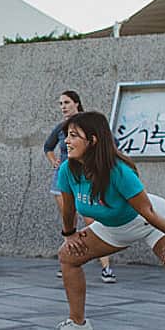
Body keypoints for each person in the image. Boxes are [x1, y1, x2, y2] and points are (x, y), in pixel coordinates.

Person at [45, 111, 165, 330]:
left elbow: (148, 212)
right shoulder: (68, 169)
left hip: (151, 221)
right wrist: (69, 235)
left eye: (73, 136)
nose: (66, 142)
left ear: (92, 140)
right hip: (114, 226)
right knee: (68, 255)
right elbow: (68, 209)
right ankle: (78, 328)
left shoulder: (118, 171)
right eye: (66, 136)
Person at [43, 90, 116, 283]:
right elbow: (47, 147)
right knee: (69, 222)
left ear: (77, 103)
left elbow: (111, 143)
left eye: (66, 102)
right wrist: (54, 162)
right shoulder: (61, 127)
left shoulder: (88, 124)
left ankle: (106, 267)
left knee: (93, 222)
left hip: (86, 180)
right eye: (60, 103)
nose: (63, 107)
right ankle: (69, 261)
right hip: (63, 179)